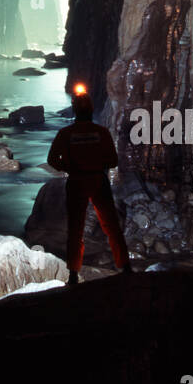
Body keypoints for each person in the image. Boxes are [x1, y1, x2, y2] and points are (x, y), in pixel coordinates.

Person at [47, 84, 132, 285]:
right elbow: (112, 160)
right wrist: (97, 163)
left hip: (76, 181)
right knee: (111, 226)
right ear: (91, 109)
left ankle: (74, 274)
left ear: (74, 109)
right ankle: (126, 267)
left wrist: (68, 166)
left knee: (75, 230)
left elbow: (52, 159)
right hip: (97, 180)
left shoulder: (66, 134)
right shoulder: (101, 132)